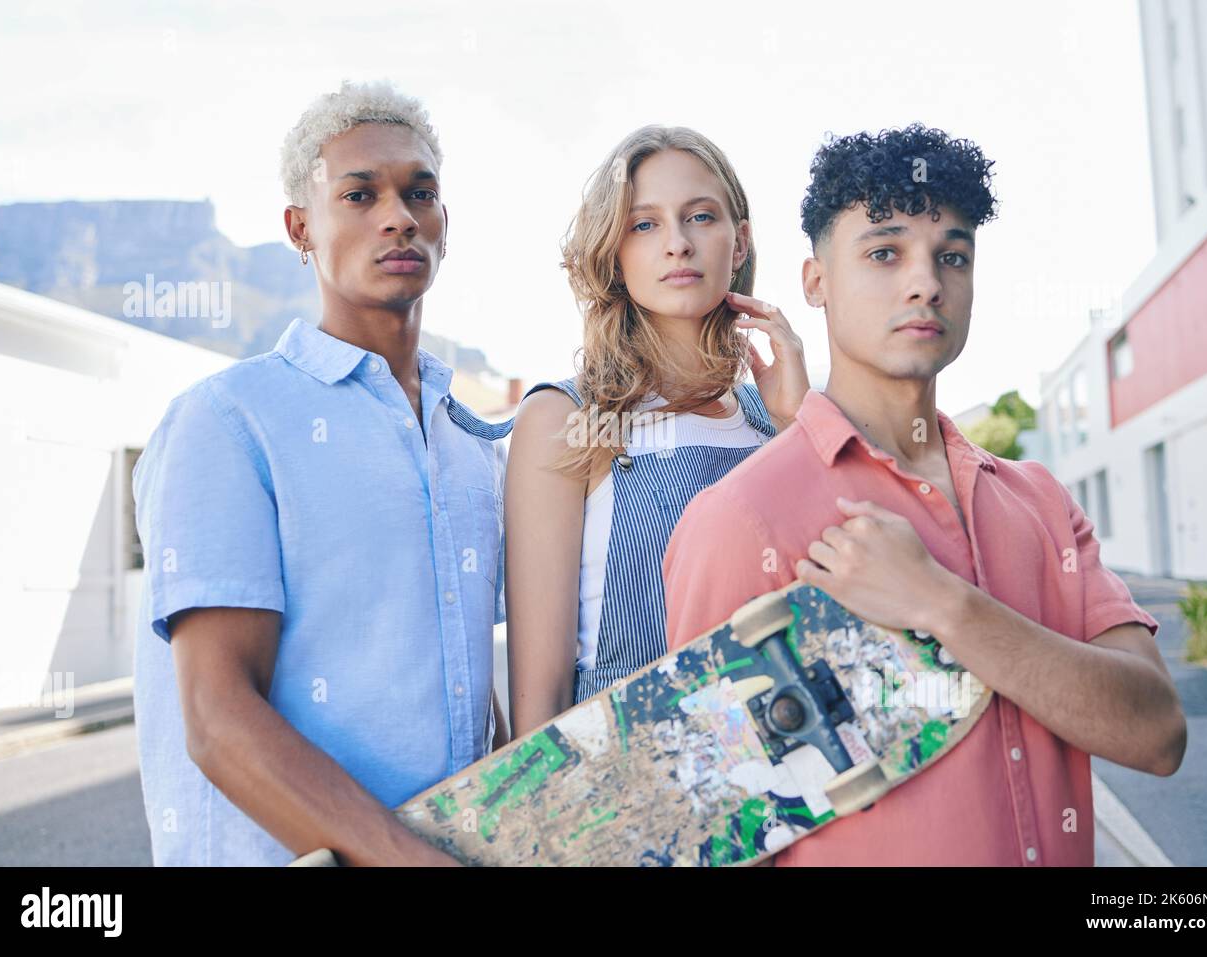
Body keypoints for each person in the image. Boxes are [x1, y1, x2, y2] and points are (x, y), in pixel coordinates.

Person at [662, 124, 1187, 866]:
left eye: (953, 256)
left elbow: (1157, 732)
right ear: (816, 282)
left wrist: (941, 604)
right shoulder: (741, 519)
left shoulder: (1036, 500)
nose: (926, 283)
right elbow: (708, 831)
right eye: (885, 252)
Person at [132, 80, 509, 866]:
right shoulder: (230, 421)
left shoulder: (471, 444)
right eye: (359, 194)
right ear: (301, 228)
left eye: (420, 193)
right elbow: (217, 715)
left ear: (446, 223)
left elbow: (470, 685)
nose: (397, 215)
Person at [505, 126, 809, 734]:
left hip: (788, 788)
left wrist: (800, 429)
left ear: (740, 241)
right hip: (629, 791)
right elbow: (537, 709)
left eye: (700, 216)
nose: (677, 244)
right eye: (645, 225)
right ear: (615, 254)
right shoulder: (568, 420)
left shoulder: (781, 421)